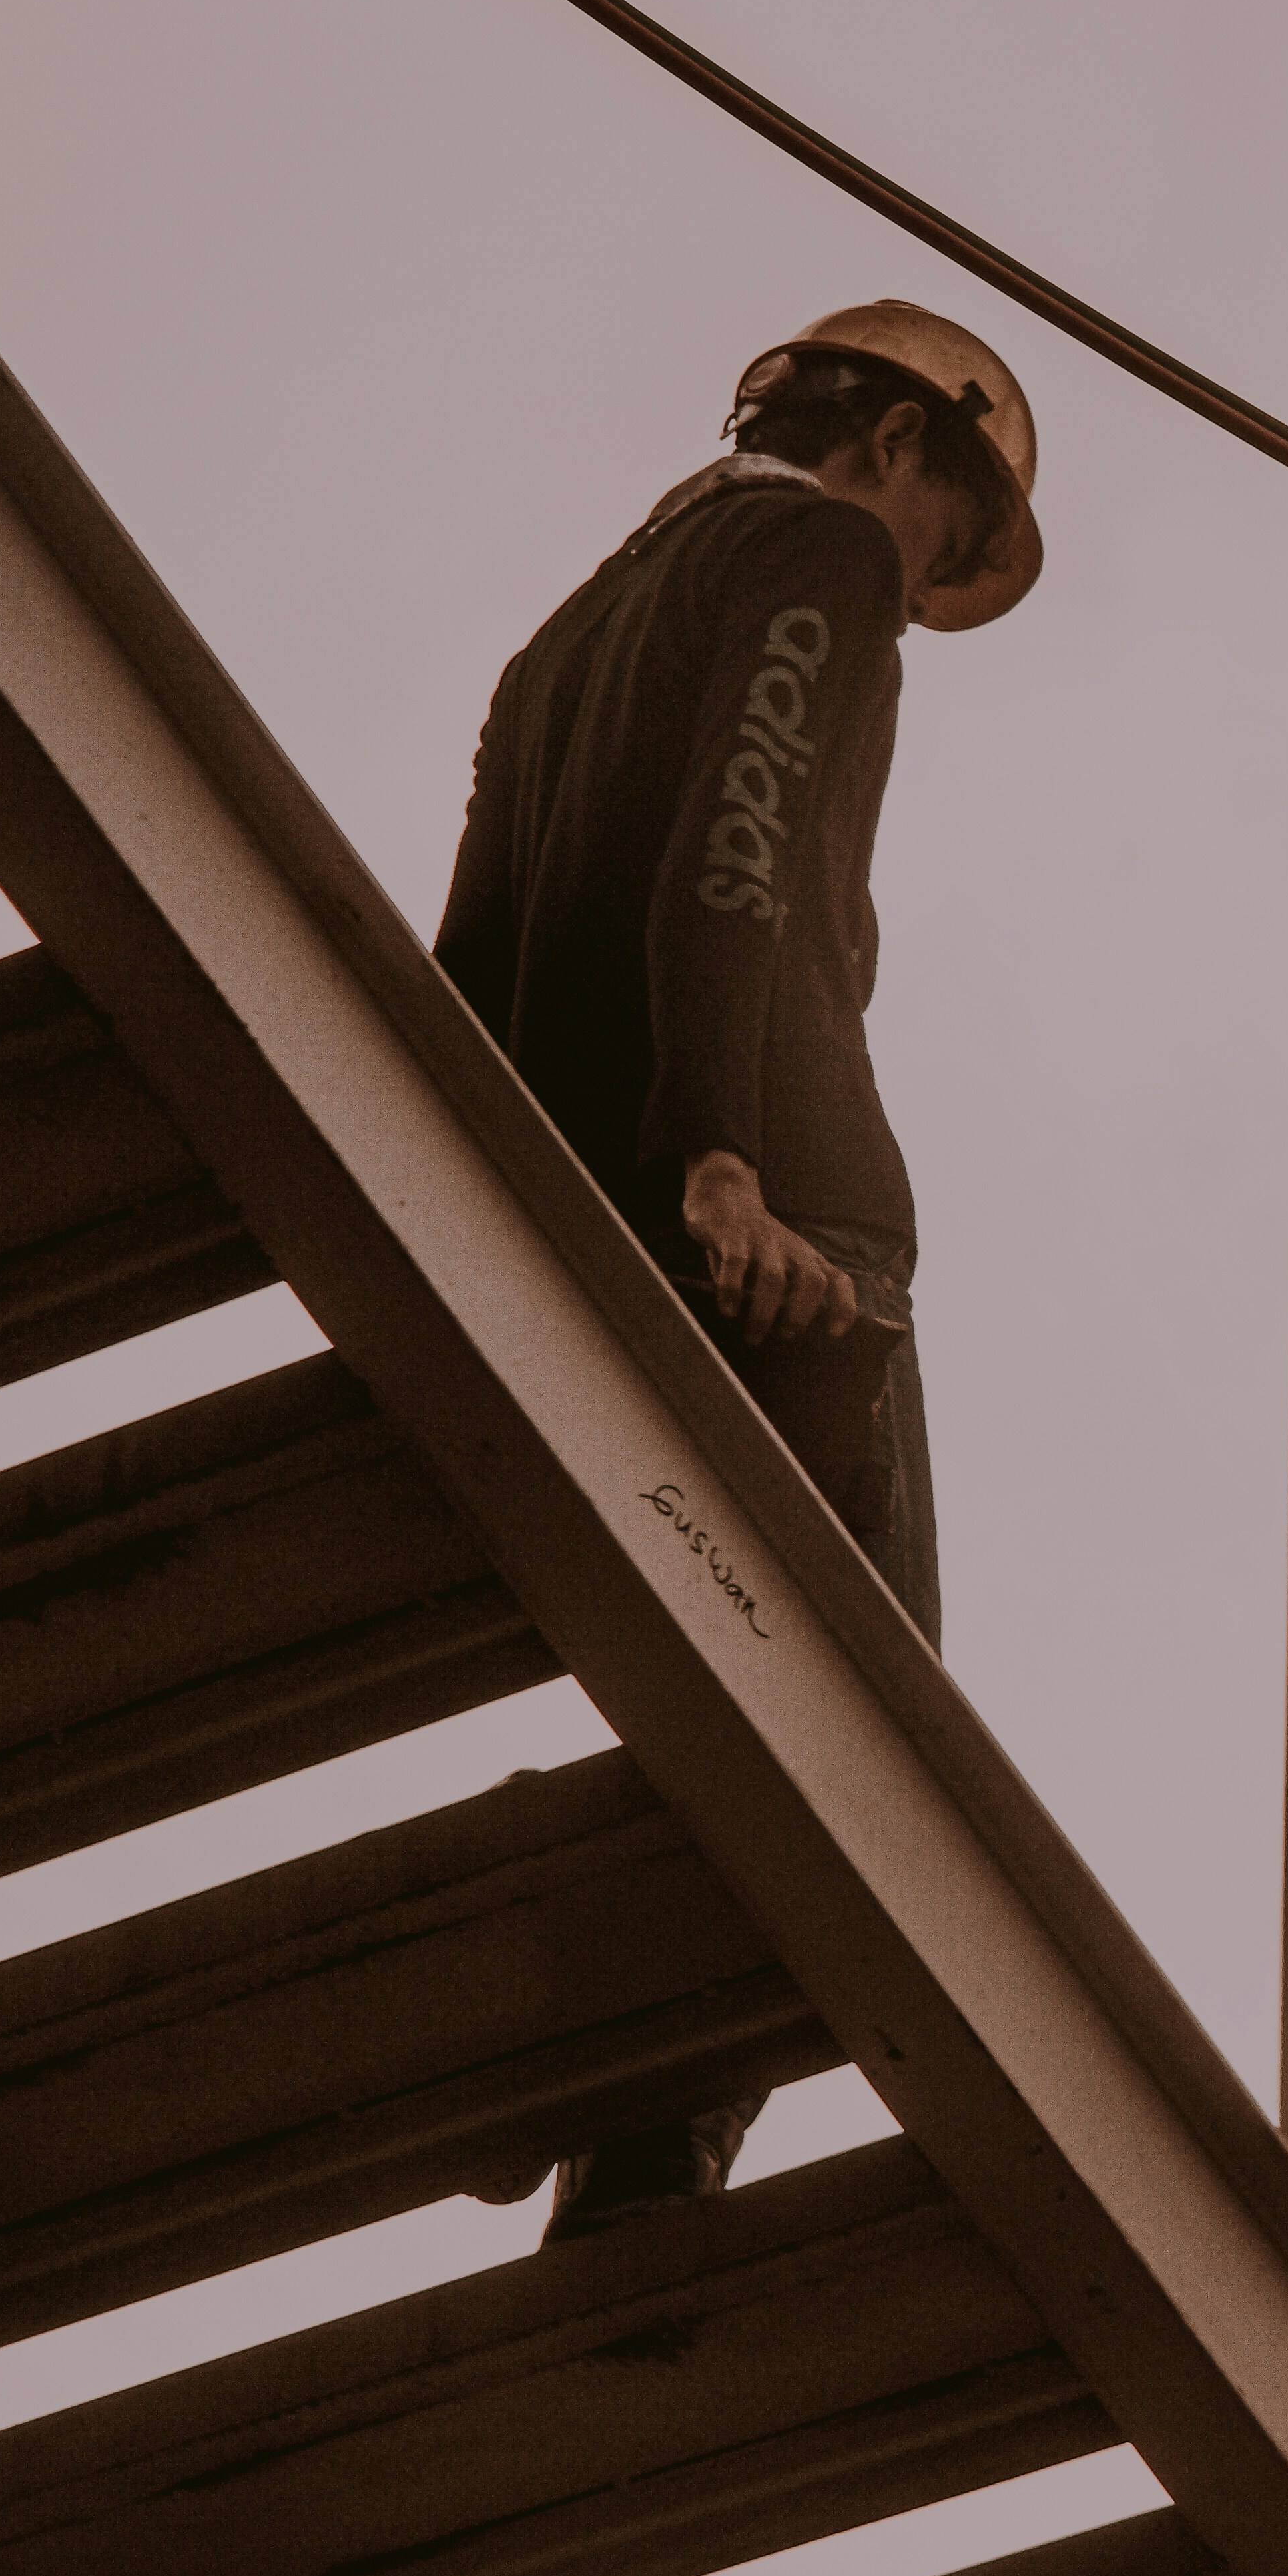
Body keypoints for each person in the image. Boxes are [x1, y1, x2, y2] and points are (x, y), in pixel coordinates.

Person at [434, 297, 1041, 2237]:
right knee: (867, 1731)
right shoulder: (816, 554)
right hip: (778, 1232)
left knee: (727, 1698)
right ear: (901, 447)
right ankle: (617, 2107)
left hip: (583, 1237)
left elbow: (469, 955)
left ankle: (603, 2102)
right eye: (947, 542)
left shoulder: (563, 643)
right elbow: (742, 847)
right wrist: (722, 1159)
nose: (915, 588)